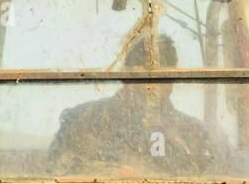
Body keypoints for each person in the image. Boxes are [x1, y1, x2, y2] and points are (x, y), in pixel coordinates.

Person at [49, 33, 212, 173]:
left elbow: (219, 180)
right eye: (142, 77)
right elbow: (55, 176)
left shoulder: (192, 133)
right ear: (126, 76)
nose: (151, 87)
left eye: (161, 77)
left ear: (173, 81)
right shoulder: (82, 122)